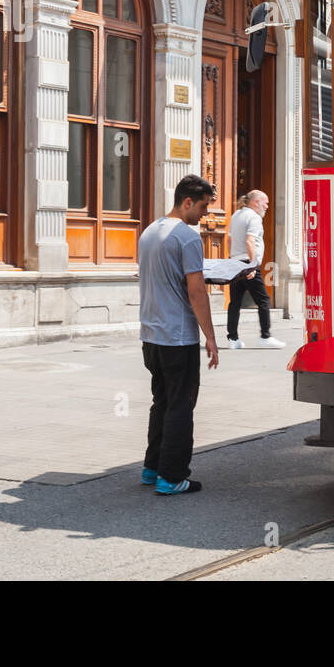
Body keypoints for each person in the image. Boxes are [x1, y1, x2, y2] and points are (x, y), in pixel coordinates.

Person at [137, 174, 220, 496]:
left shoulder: (149, 232)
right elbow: (196, 292)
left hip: (151, 335)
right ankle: (172, 477)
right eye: (201, 207)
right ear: (187, 202)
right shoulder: (186, 237)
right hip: (178, 337)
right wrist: (210, 337)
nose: (204, 215)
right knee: (181, 406)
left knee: (162, 402)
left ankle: (152, 467)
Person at [226, 190, 286, 350]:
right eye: (264, 202)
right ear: (255, 202)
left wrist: (232, 259)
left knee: (235, 302)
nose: (267, 206)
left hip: (236, 262)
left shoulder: (236, 215)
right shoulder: (254, 217)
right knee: (264, 300)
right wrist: (252, 264)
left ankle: (233, 338)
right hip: (248, 263)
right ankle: (265, 336)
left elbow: (229, 239)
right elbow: (250, 241)